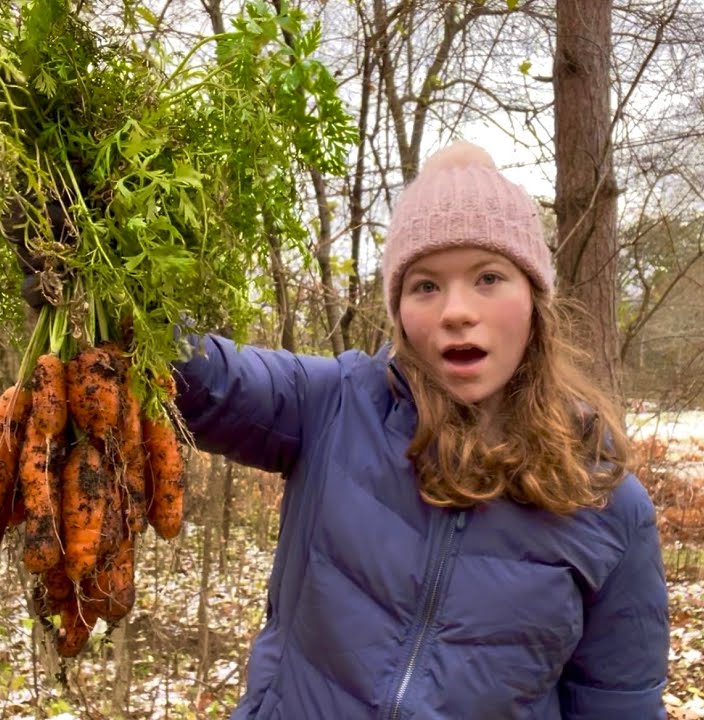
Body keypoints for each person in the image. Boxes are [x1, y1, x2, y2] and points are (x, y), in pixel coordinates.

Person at [168, 142, 669, 719]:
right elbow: (201, 377)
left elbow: (618, 705)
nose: (456, 310)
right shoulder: (334, 405)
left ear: (533, 299)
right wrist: (85, 251)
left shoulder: (606, 501)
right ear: (400, 308)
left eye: (488, 277)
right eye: (425, 285)